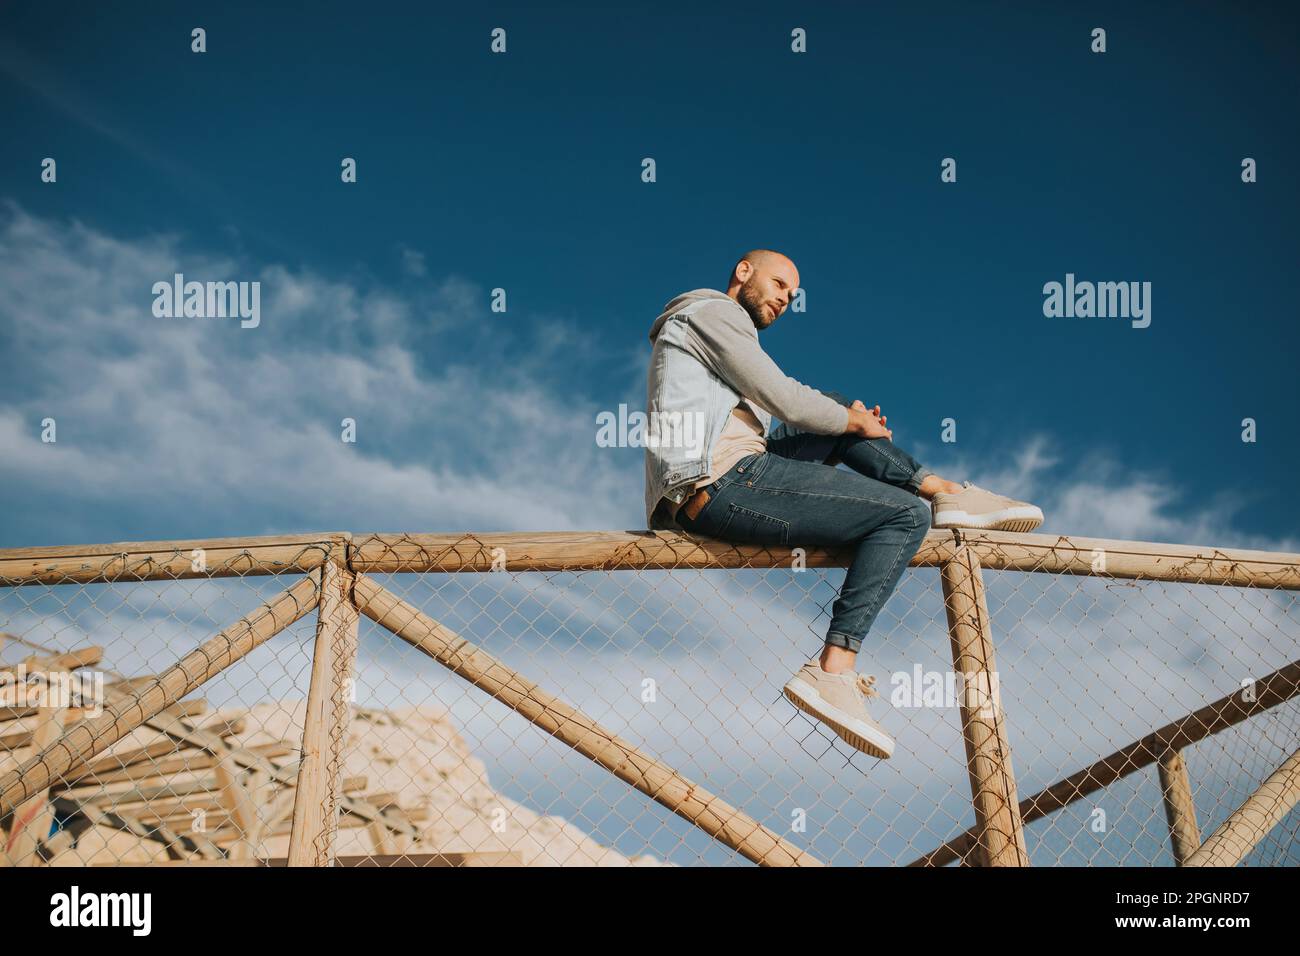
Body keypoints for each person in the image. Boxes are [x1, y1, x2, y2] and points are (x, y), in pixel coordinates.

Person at [643, 249, 1043, 758]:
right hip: (722, 480)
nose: (787, 298)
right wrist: (853, 423)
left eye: (793, 293)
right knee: (904, 515)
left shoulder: (712, 344)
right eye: (780, 283)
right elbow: (781, 394)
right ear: (744, 272)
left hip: (730, 472)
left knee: (834, 405)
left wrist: (847, 419)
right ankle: (833, 670)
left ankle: (945, 492)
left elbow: (795, 408)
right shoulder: (711, 313)